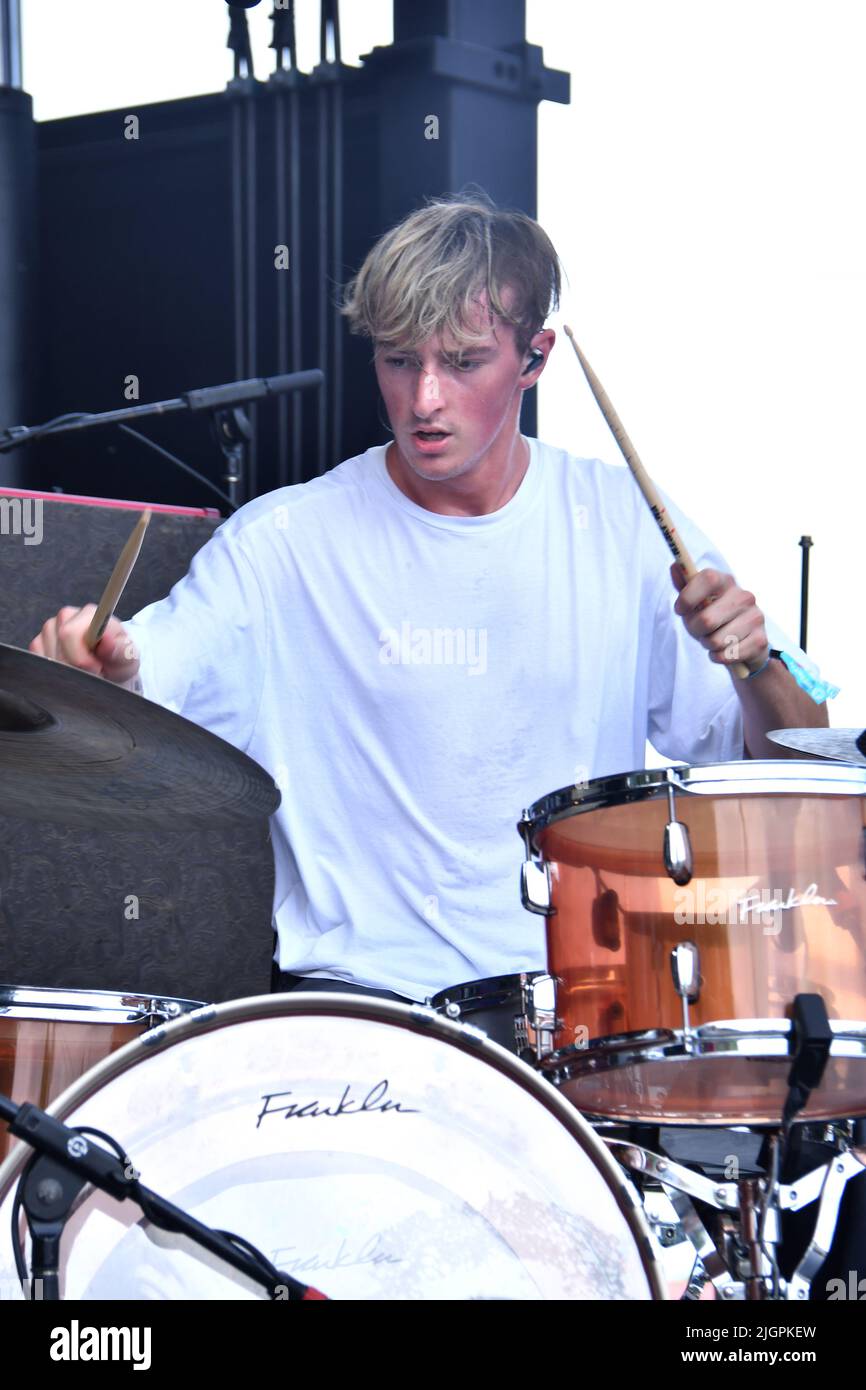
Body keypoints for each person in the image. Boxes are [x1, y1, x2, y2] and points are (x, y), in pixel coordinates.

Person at [30, 192, 828, 1009]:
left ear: (536, 356)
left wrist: (756, 664)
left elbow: (789, 767)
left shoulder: (627, 527)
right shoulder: (284, 543)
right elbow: (151, 683)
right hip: (356, 1005)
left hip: (575, 1006)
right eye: (399, 360)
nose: (425, 400)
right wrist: (102, 668)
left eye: (464, 361)